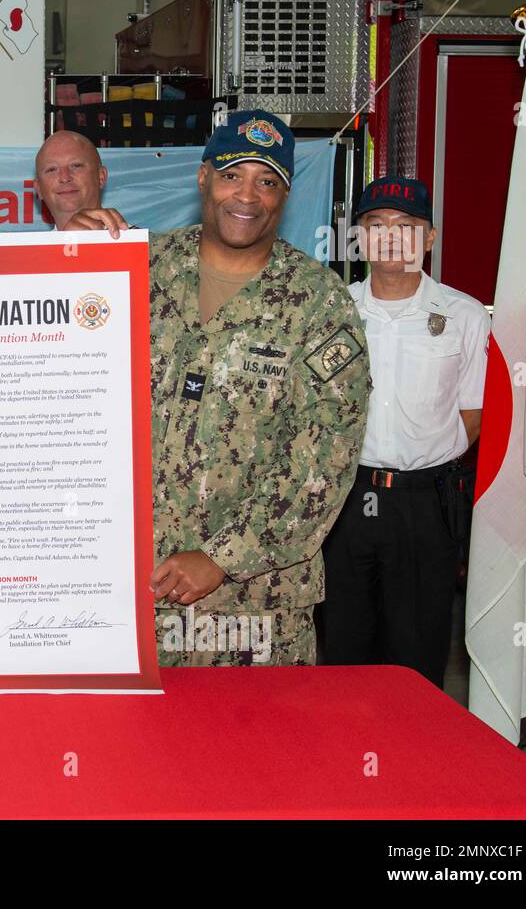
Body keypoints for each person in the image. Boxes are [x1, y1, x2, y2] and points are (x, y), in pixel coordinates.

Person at [146, 110, 371, 666]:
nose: (247, 196)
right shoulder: (140, 270)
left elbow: (327, 458)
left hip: (255, 609)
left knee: (256, 728)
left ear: (285, 195)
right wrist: (72, 249)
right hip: (137, 592)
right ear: (203, 177)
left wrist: (222, 556)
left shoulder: (319, 302)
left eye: (267, 181)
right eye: (232, 175)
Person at [321, 177, 488, 687]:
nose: (390, 237)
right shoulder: (333, 310)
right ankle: (346, 737)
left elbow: (473, 413)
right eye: (375, 225)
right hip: (345, 500)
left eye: (406, 225)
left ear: (429, 237)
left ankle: (413, 739)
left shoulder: (463, 315)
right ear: (358, 237)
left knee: (417, 651)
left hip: (425, 505)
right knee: (343, 643)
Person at [33, 128, 125, 230]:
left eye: (76, 166)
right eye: (51, 169)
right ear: (39, 189)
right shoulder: (28, 241)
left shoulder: (136, 239)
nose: (64, 178)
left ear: (101, 177)